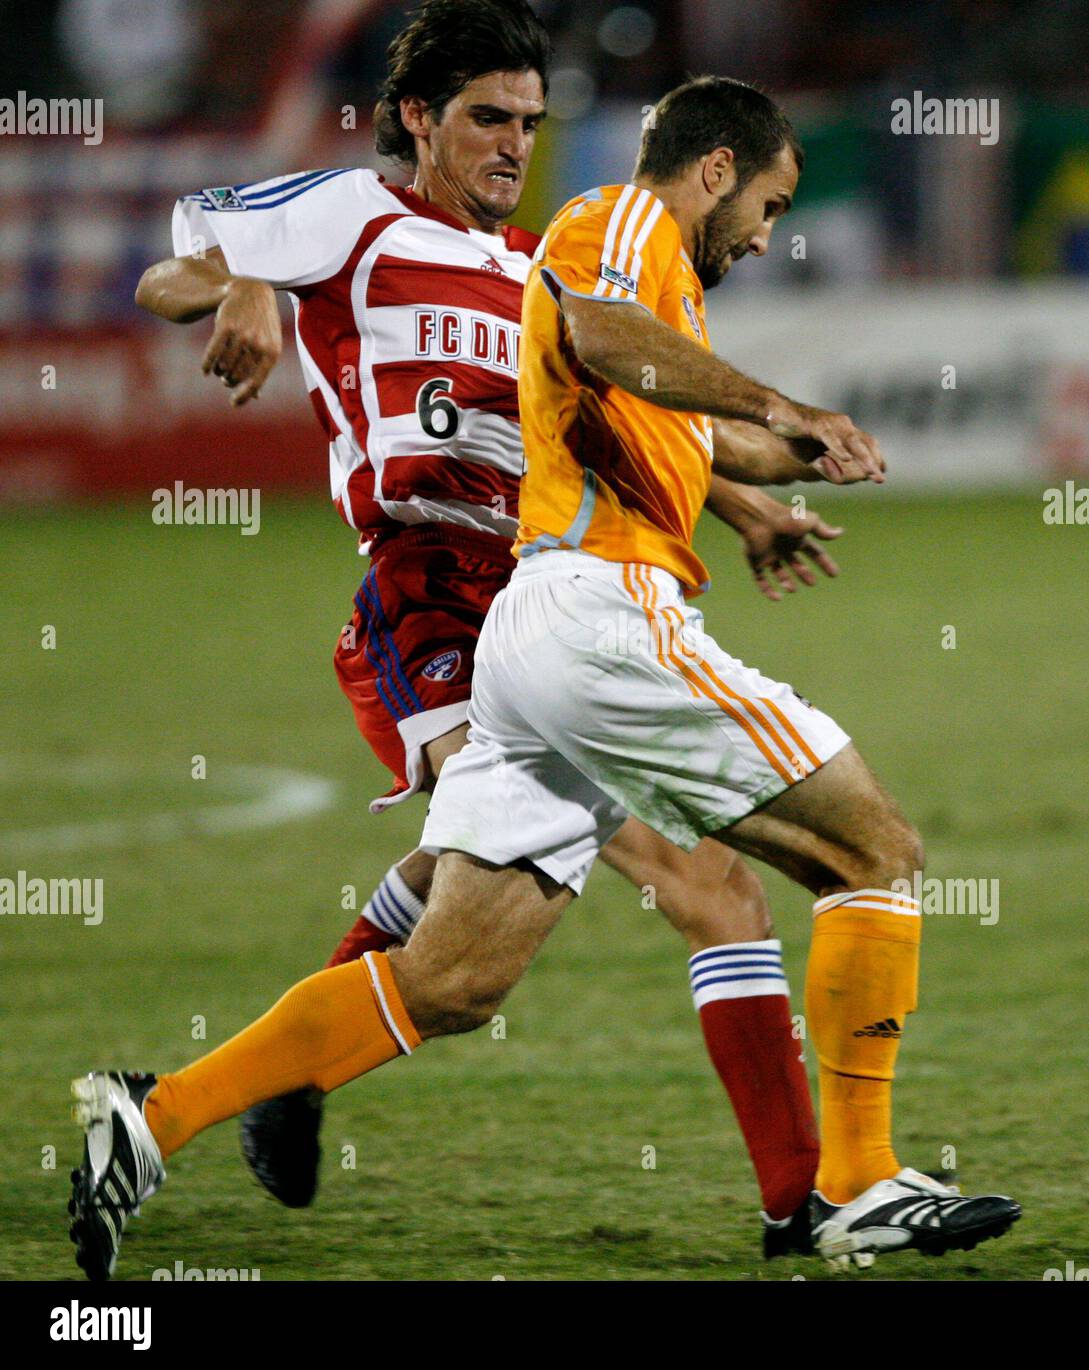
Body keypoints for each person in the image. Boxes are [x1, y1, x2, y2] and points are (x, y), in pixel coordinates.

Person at [70, 61, 1020, 1283]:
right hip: (570, 609)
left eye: (529, 119)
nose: (767, 236)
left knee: (455, 976)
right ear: (715, 170)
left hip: (526, 627)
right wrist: (785, 402)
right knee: (871, 849)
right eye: (768, 207)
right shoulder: (614, 224)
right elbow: (603, 333)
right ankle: (855, 1183)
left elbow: (669, 412)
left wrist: (774, 474)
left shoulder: (587, 279)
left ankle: (151, 1117)